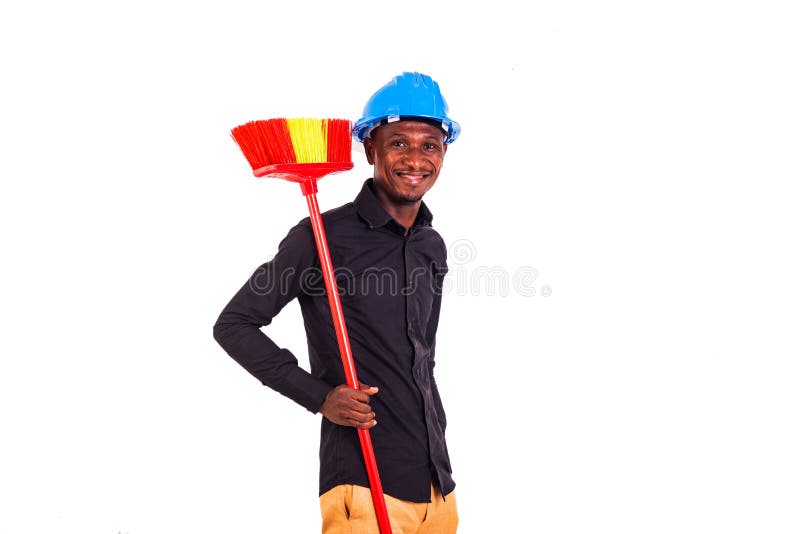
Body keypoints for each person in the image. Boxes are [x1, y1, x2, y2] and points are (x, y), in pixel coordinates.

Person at [213, 72, 460, 533]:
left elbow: (421, 360)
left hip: (436, 483)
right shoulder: (320, 237)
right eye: (398, 143)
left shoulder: (432, 246)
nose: (416, 158)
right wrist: (321, 396)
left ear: (444, 151)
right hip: (366, 483)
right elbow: (235, 324)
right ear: (370, 150)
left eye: (430, 144)